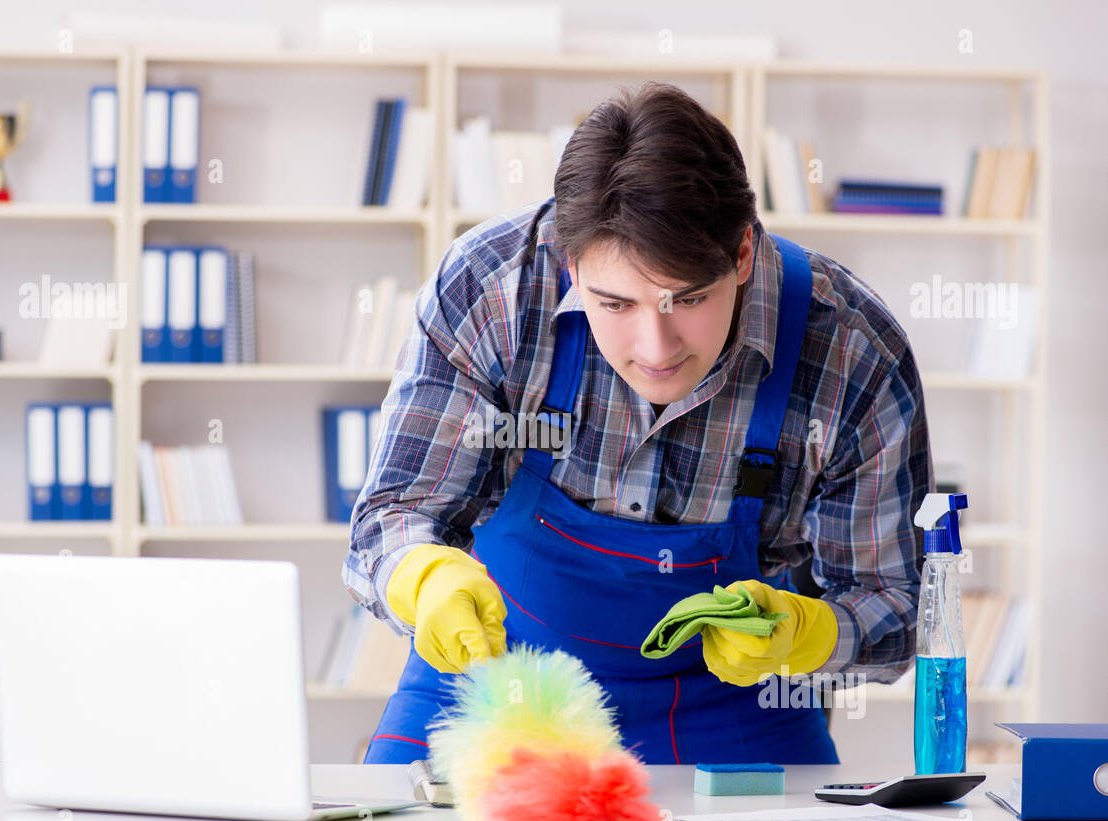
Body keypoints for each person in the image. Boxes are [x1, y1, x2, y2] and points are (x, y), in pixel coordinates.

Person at [342, 81, 932, 765]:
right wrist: (420, 576)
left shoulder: (852, 350)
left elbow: (894, 607)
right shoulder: (490, 289)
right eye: (615, 302)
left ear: (742, 253)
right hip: (497, 682)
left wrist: (810, 631)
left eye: (689, 298)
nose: (656, 348)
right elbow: (390, 515)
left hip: (738, 705)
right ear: (571, 263)